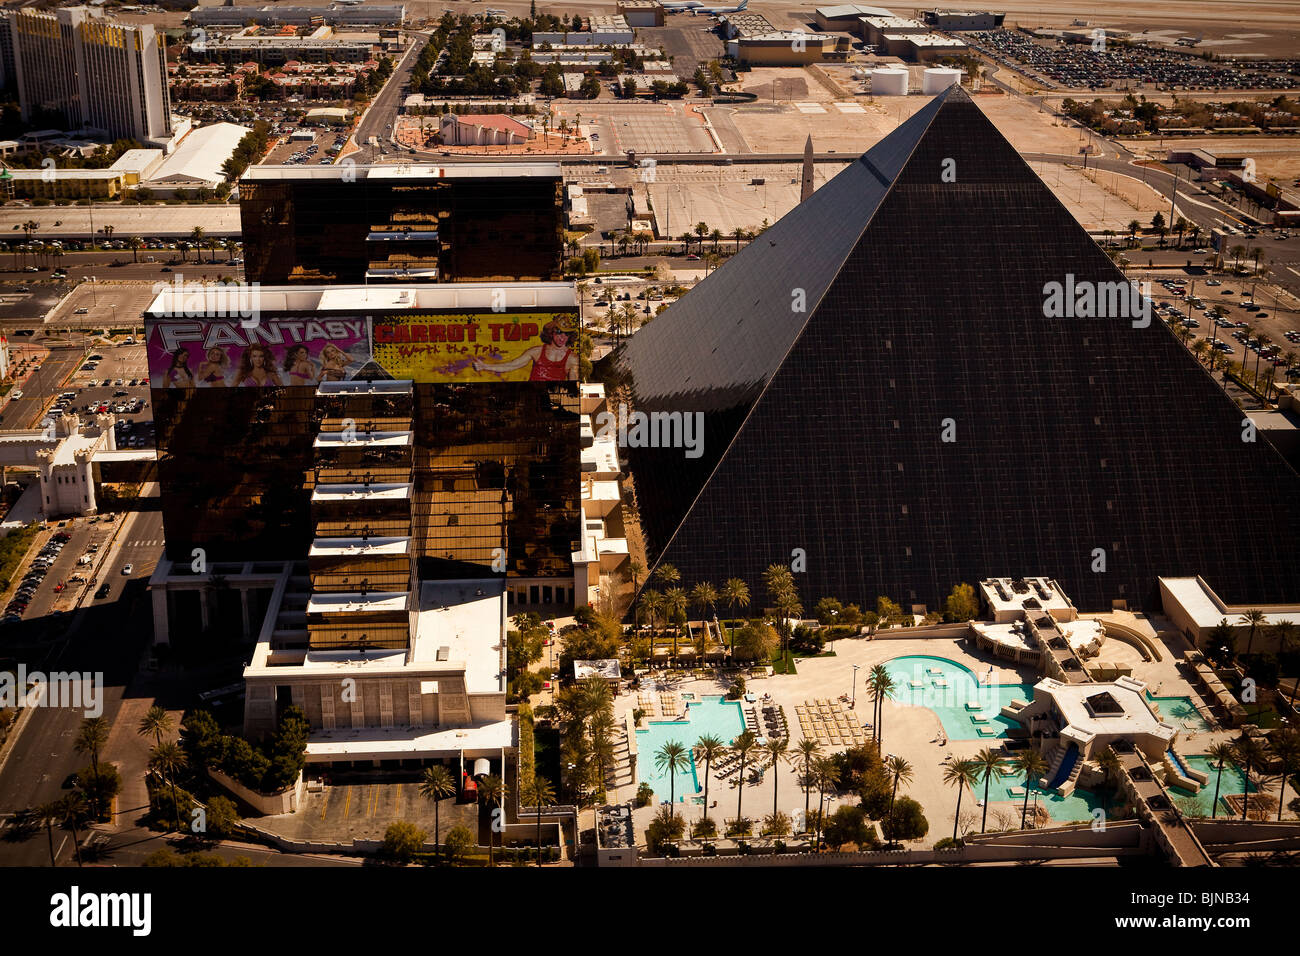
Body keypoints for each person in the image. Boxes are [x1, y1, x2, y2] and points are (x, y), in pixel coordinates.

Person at [470, 321, 577, 381]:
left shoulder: (572, 358)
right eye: (559, 332)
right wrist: (485, 366)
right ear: (551, 333)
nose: (562, 338)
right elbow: (511, 365)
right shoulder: (537, 352)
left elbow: (573, 384)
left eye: (566, 334)